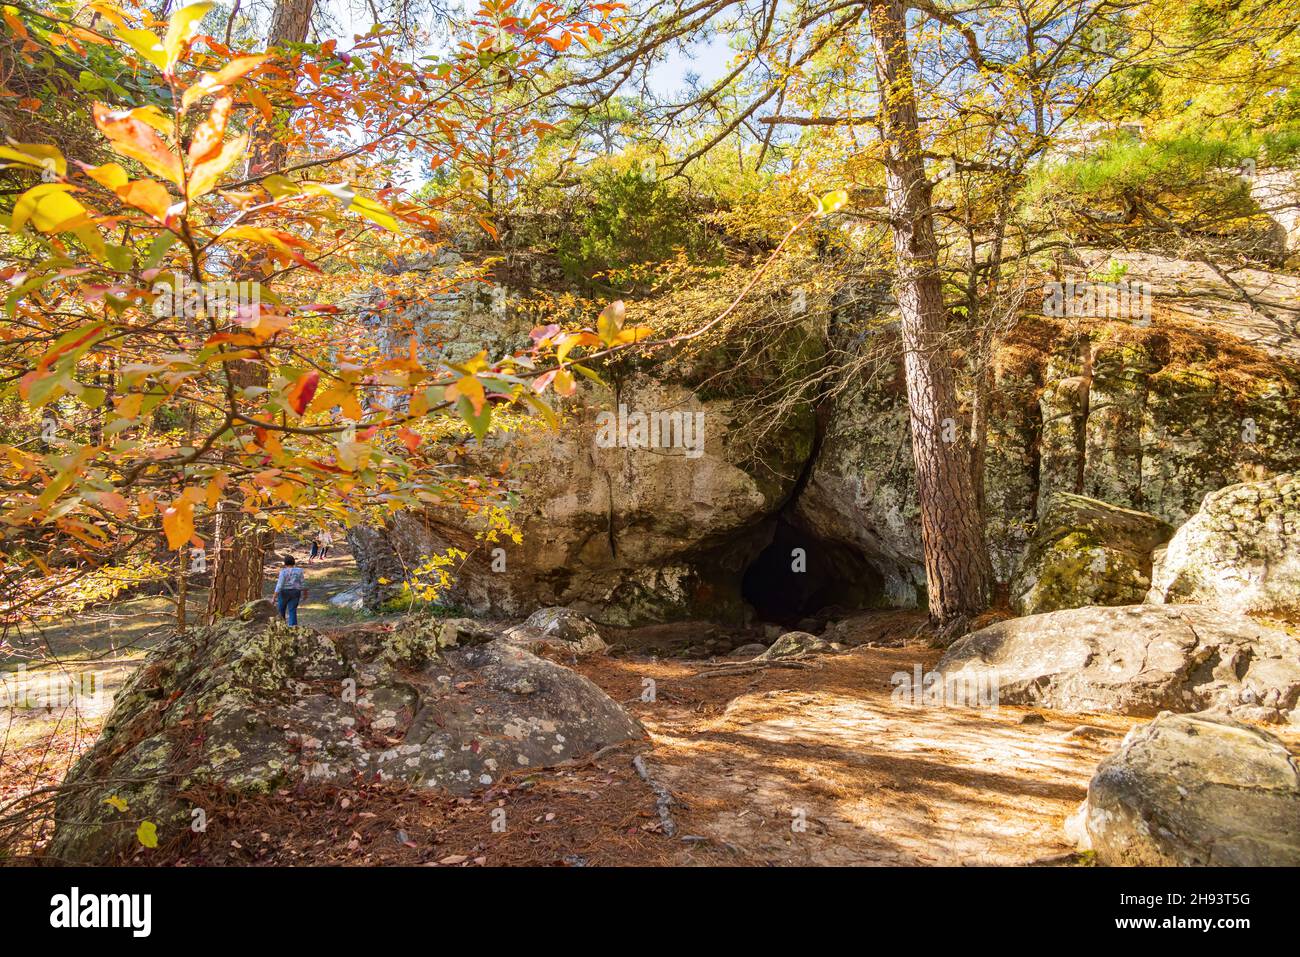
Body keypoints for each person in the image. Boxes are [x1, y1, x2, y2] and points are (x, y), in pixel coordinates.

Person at [273, 555, 307, 626]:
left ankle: (282, 626)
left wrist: (274, 597)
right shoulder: (299, 571)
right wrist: (305, 593)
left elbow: (279, 585)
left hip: (284, 593)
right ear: (294, 562)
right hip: (295, 592)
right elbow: (303, 583)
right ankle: (293, 627)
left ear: (285, 563)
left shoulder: (283, 572)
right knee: (292, 610)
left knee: (281, 610)